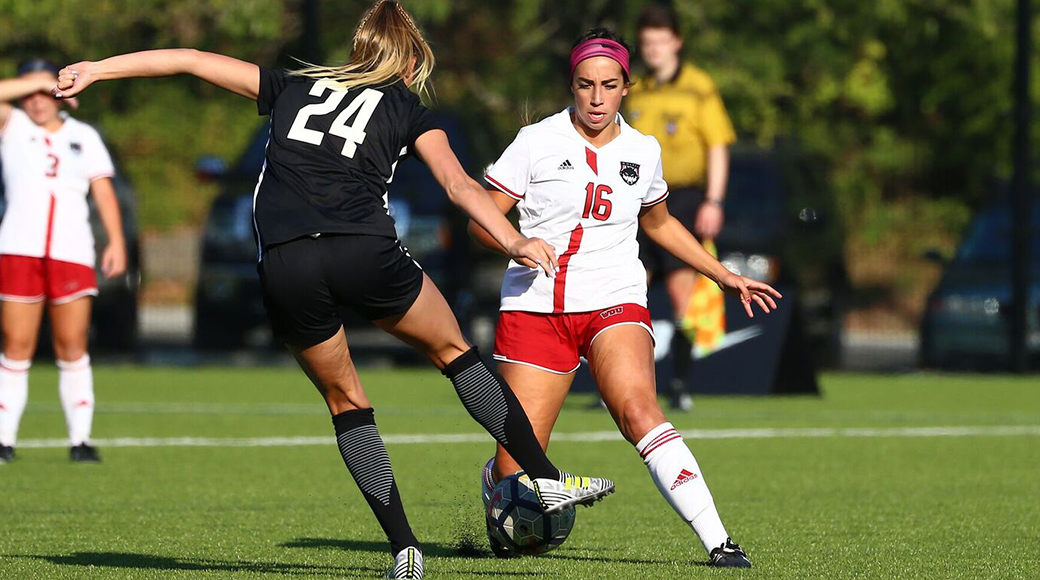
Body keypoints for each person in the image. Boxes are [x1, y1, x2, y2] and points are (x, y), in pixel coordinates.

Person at [53, 1, 613, 577]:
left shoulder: (294, 85)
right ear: (413, 56)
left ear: (357, 50)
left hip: (287, 260)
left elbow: (191, 60)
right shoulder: (407, 107)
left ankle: (404, 549)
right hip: (363, 248)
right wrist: (514, 240)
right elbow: (456, 183)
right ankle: (544, 478)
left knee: (346, 401)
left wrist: (97, 67)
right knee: (455, 355)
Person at [470, 27, 780, 568]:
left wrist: (722, 275)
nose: (595, 98)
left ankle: (718, 541)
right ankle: (501, 483)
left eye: (608, 86)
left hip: (614, 300)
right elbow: (481, 220)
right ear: (571, 85)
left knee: (639, 409)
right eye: (585, 85)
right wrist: (516, 242)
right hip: (535, 309)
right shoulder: (535, 141)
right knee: (513, 472)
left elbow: (660, 225)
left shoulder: (643, 148)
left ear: (626, 88)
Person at [0, 58, 127, 464]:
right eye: (30, 92)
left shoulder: (84, 135)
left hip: (71, 250)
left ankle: (80, 440)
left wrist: (116, 242)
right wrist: (33, 82)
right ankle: (4, 439)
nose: (37, 101)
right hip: (19, 247)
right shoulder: (12, 128)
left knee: (71, 344)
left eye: (44, 92)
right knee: (16, 345)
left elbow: (103, 192)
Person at [626, 4, 738, 411]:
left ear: (676, 42)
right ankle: (625, 384)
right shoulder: (634, 87)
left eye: (660, 41)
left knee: (681, 297)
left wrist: (714, 200)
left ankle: (678, 383)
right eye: (647, 42)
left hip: (685, 199)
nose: (653, 50)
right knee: (627, 288)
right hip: (635, 199)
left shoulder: (698, 86)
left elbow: (718, 146)